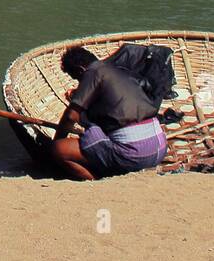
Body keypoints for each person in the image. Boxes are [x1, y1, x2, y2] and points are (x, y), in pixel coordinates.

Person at [52, 45, 168, 181]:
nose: (80, 83)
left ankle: (94, 180)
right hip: (159, 146)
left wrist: (57, 139)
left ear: (81, 69)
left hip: (134, 154)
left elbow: (72, 116)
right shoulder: (116, 69)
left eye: (77, 78)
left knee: (59, 150)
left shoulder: (92, 72)